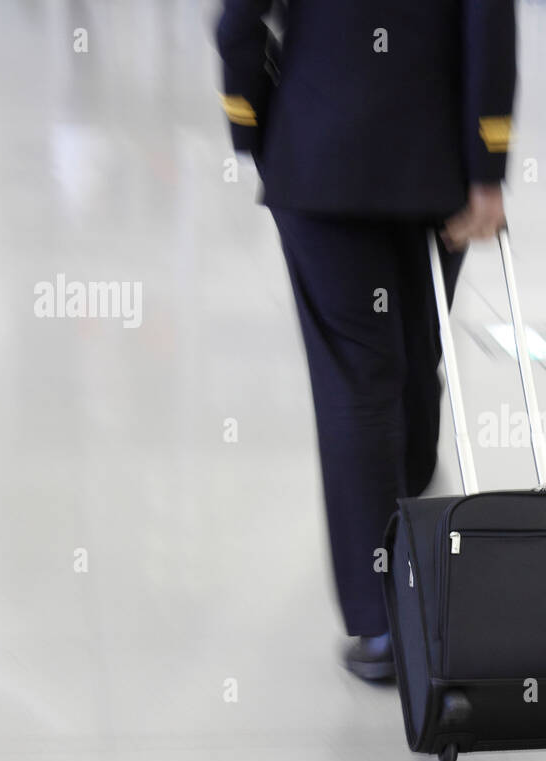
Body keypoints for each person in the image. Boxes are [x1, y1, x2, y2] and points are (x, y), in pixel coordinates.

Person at [216, 0, 516, 681]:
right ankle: (415, 530)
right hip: (437, 169)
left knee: (357, 384)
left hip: (318, 157)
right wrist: (486, 168)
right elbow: (489, 31)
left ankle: (382, 625)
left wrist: (258, 124)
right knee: (416, 352)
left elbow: (237, 25)